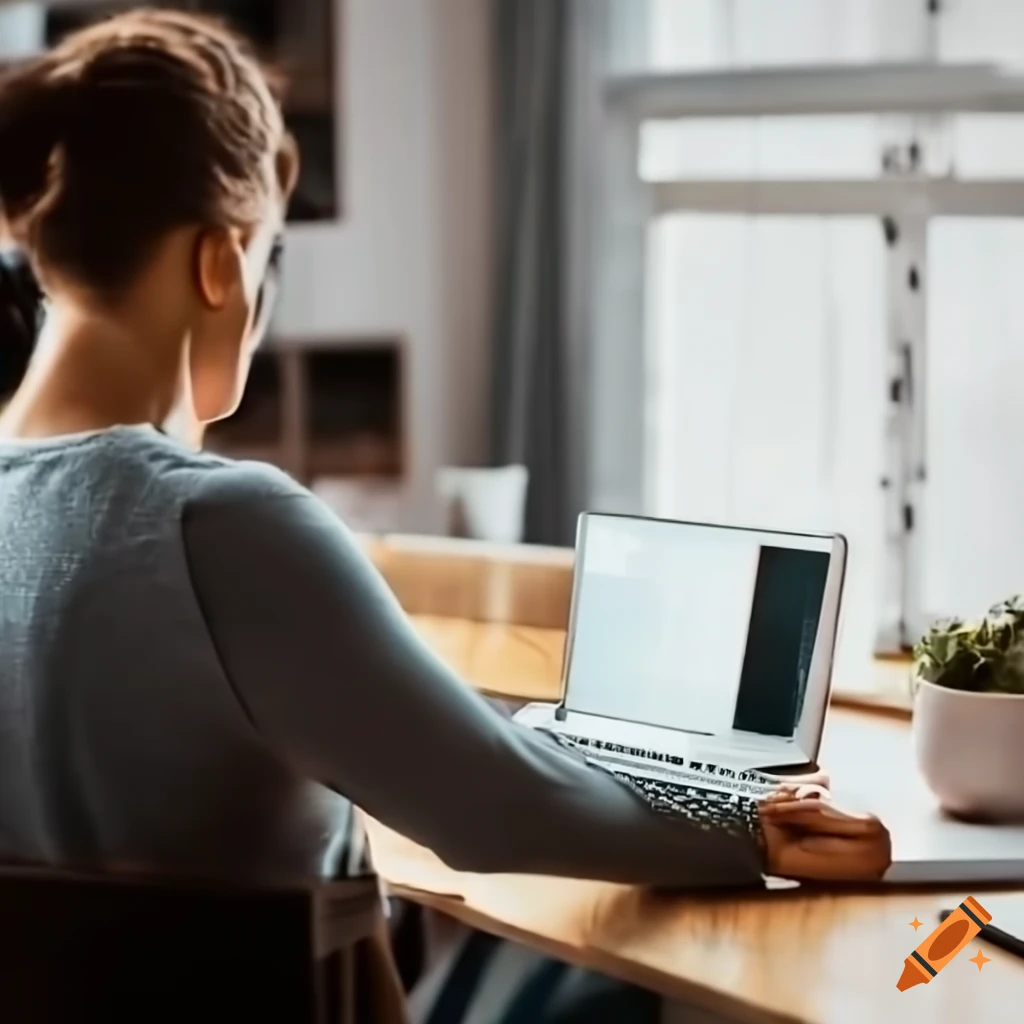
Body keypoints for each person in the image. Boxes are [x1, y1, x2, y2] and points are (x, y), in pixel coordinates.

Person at [0, 9, 891, 1020]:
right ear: (219, 260)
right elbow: (490, 806)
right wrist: (754, 826)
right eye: (266, 263)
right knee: (614, 994)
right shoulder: (219, 523)